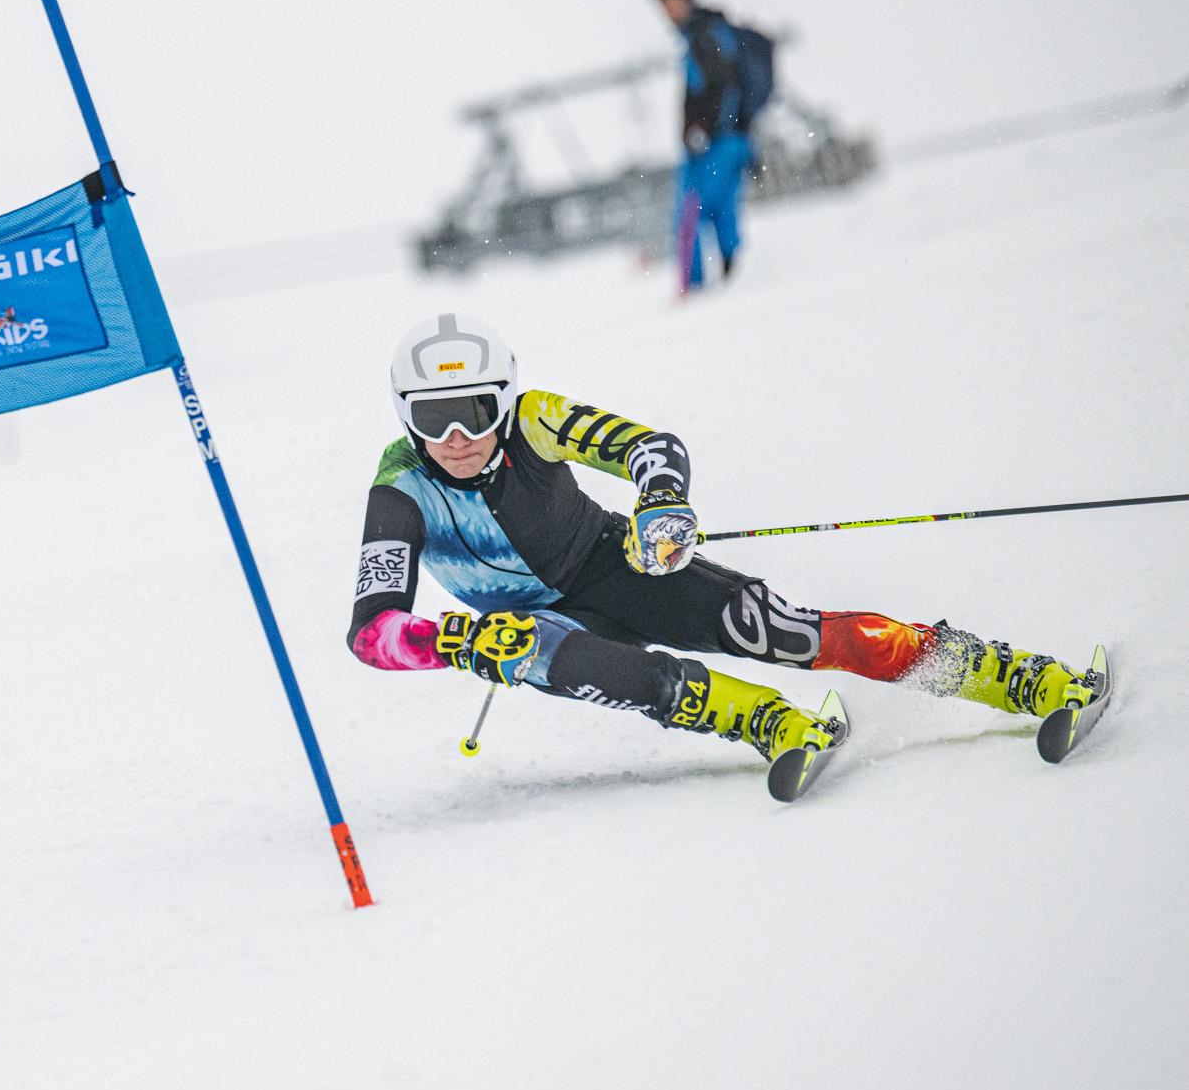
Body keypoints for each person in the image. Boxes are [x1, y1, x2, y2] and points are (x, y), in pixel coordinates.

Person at [348, 312, 1100, 774]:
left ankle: (1018, 677)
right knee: (586, 664)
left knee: (778, 630)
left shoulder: (538, 418)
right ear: (403, 416)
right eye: (433, 415)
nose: (455, 437)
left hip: (615, 562)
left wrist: (663, 504)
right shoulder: (401, 488)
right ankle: (770, 722)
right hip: (526, 626)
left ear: (504, 401)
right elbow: (372, 631)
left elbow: (649, 446)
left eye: (475, 411)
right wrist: (457, 642)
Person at [652, 0, 753, 292]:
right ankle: (734, 276)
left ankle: (694, 287)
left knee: (691, 208)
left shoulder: (702, 34)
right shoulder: (710, 30)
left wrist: (704, 128)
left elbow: (722, 84)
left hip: (717, 141)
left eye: (669, 3)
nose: (665, 11)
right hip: (732, 139)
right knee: (721, 206)